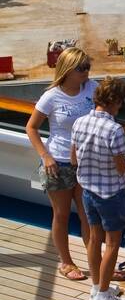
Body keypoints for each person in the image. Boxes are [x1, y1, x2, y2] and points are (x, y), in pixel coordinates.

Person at [25, 48, 97, 282]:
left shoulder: (92, 88)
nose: (87, 72)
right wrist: (46, 156)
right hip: (59, 163)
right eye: (82, 68)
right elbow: (32, 127)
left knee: (89, 215)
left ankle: (96, 261)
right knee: (62, 214)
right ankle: (66, 262)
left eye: (88, 67)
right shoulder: (52, 96)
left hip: (86, 162)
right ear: (68, 70)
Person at [70, 77, 125, 300]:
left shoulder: (79, 123)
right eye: (120, 103)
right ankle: (102, 297)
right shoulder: (115, 129)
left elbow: (73, 159)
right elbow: (121, 168)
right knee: (112, 244)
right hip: (111, 194)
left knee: (93, 239)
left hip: (88, 191)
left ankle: (97, 287)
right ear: (115, 101)